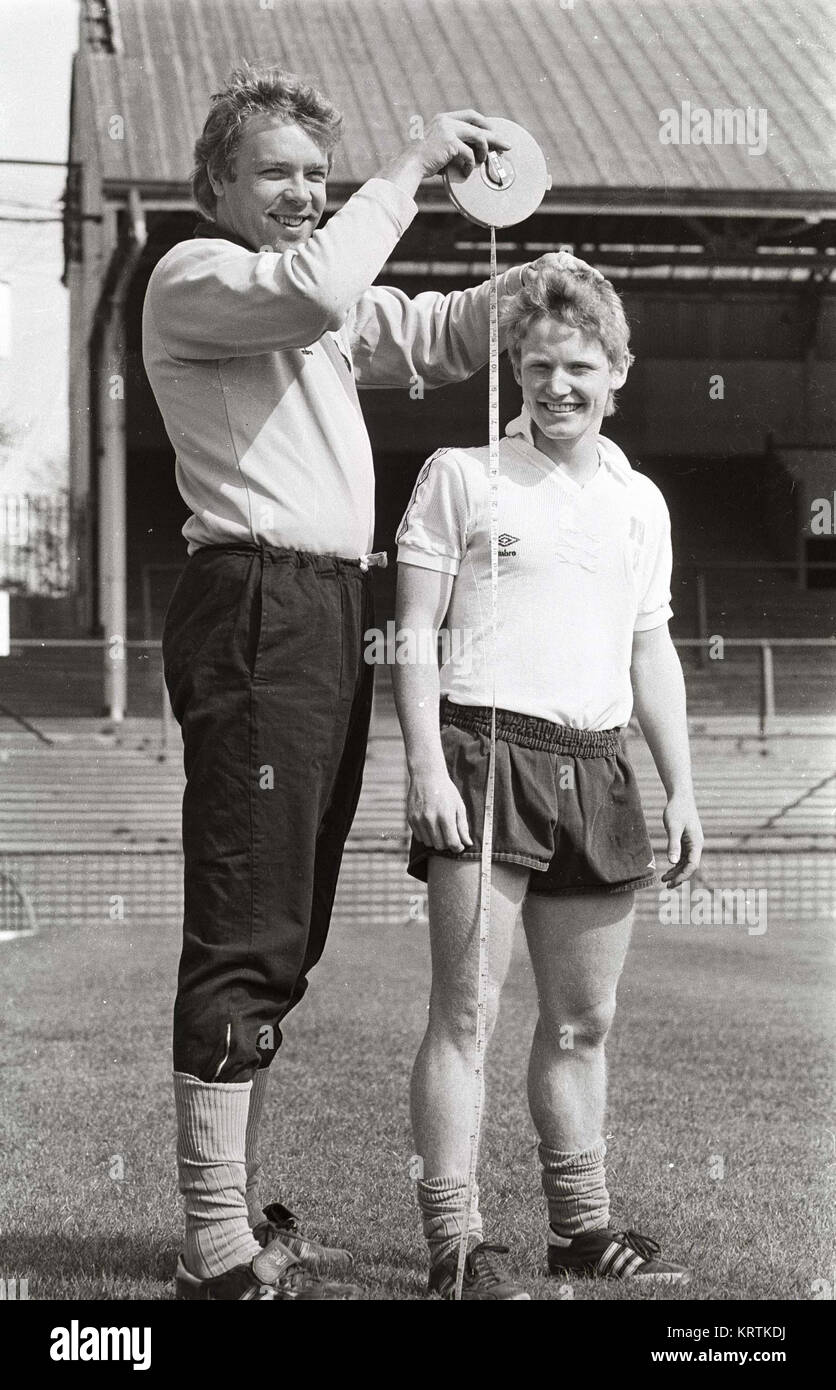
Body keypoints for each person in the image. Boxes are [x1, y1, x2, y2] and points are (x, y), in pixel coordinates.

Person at [142, 61, 539, 1301]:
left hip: (316, 611)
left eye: (317, 173)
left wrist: (520, 291)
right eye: (277, 172)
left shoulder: (312, 300)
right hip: (255, 600)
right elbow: (323, 287)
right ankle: (213, 1240)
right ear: (218, 187)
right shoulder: (200, 279)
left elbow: (422, 330)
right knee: (250, 913)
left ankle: (236, 1217)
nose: (305, 193)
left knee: (290, 923)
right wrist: (411, 164)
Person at [393, 257, 704, 1300]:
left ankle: (578, 1228)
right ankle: (454, 1244)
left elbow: (649, 648)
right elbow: (410, 635)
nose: (555, 386)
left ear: (616, 369)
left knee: (583, 1022)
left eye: (577, 367)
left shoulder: (638, 502)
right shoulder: (460, 474)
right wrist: (426, 763)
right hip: (485, 755)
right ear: (513, 370)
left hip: (598, 764)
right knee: (465, 1015)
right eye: (535, 367)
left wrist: (681, 788)